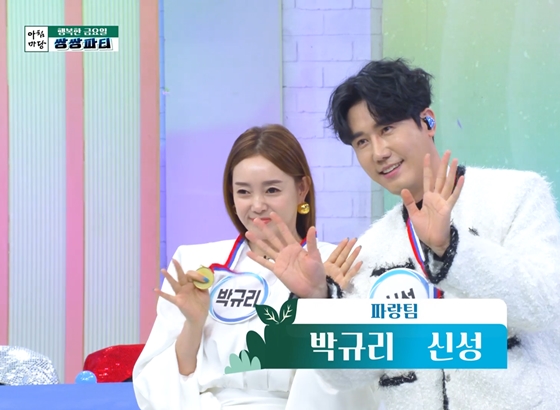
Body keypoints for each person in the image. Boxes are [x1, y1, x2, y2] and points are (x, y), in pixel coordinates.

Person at [251, 60, 560, 409]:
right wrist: (317, 301)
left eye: (387, 129)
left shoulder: (514, 196)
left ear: (427, 121)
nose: (378, 152)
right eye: (362, 141)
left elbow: (542, 304)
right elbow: (348, 376)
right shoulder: (372, 248)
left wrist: (450, 249)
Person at [133, 124, 381, 410]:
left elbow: (359, 380)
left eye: (272, 190)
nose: (258, 205)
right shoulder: (195, 265)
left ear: (301, 189)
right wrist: (193, 323)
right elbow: (157, 385)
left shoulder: (338, 265)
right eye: (244, 192)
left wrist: (321, 301)